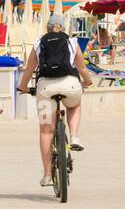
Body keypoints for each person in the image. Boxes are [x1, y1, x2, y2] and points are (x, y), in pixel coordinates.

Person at [18, 19, 94, 188]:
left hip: (45, 88)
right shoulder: (72, 41)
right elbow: (81, 68)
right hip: (70, 85)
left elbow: (29, 69)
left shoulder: (39, 43)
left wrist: (23, 87)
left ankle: (47, 175)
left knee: (46, 131)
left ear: (47, 28)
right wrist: (87, 82)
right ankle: (74, 136)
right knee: (74, 104)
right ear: (63, 27)